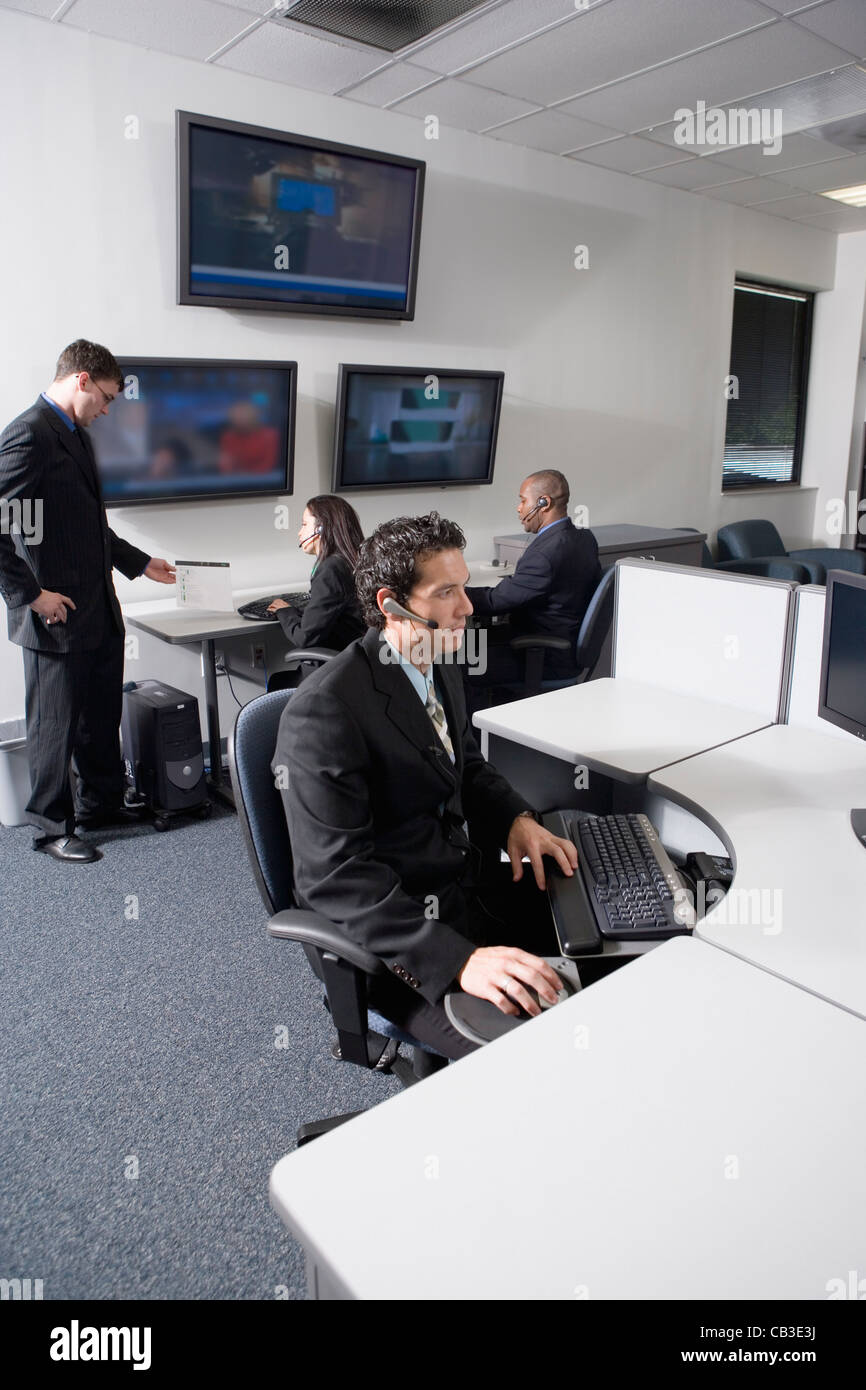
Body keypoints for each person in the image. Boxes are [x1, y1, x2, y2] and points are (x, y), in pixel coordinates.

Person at [273, 512, 578, 1060]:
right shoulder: (326, 710)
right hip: (399, 942)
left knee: (600, 946)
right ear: (392, 604)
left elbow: (467, 765)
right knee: (536, 1054)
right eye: (447, 592)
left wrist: (516, 818)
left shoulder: (436, 658)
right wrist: (459, 961)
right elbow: (333, 878)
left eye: (464, 587)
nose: (467, 608)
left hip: (464, 885)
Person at [0, 340, 176, 863]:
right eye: (106, 398)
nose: (107, 410)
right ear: (81, 379)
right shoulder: (29, 434)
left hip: (96, 605)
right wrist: (32, 596)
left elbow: (88, 525)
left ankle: (99, 804)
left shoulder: (73, 433)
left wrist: (139, 562)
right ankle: (52, 827)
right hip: (54, 614)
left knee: (99, 716)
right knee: (54, 725)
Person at [464, 469, 602, 701]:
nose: (519, 508)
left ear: (543, 502)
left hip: (543, 656)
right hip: (561, 643)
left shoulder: (546, 554)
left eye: (522, 500)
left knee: (455, 662)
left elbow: (495, 601)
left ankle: (474, 735)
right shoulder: (583, 538)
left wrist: (451, 594)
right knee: (468, 640)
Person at [267, 494, 365, 653]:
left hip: (337, 669)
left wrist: (285, 612)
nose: (300, 533)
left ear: (321, 529)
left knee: (278, 679)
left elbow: (304, 638)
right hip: (355, 661)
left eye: (304, 524)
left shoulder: (331, 569)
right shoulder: (355, 560)